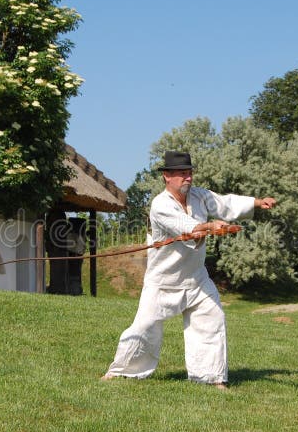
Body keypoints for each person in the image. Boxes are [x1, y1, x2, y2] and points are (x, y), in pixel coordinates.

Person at [102, 151, 276, 389]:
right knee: (144, 328)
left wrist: (256, 202)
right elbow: (184, 227)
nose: (188, 178)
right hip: (163, 281)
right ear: (167, 176)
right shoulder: (160, 205)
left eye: (190, 173)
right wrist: (209, 226)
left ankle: (212, 377)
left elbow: (225, 203)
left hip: (196, 279)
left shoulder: (200, 196)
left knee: (212, 319)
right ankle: (121, 372)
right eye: (182, 174)